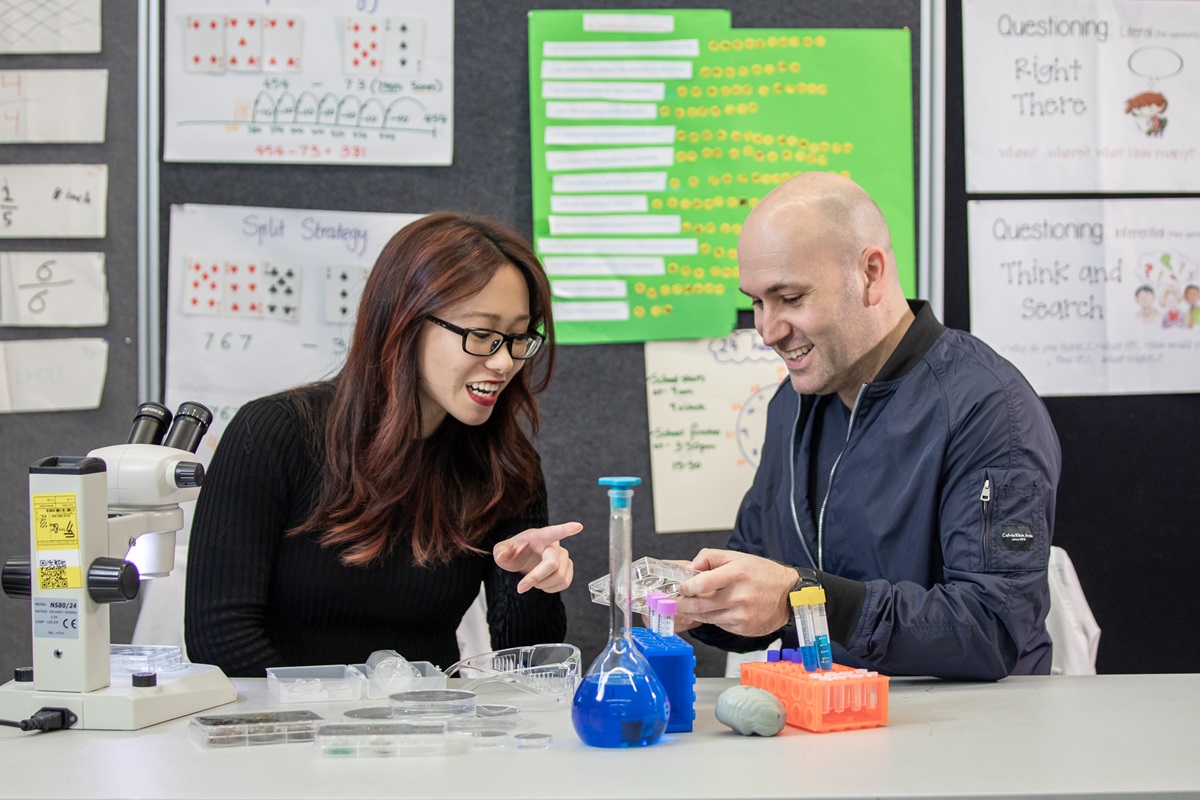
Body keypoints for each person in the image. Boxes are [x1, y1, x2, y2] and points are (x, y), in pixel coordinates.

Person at [674, 173, 1061, 681]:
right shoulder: (789, 406)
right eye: (757, 302)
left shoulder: (987, 409)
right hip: (822, 729)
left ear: (871, 274)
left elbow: (992, 628)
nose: (767, 331)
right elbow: (763, 586)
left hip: (961, 739)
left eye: (789, 298)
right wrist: (695, 601)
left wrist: (803, 600)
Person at [185, 212, 581, 677]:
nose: (503, 362)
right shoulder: (273, 433)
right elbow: (218, 636)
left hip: (431, 731)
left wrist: (530, 580)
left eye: (517, 338)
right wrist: (336, 725)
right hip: (286, 734)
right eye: (481, 335)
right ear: (405, 321)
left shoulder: (504, 465)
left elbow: (528, 665)